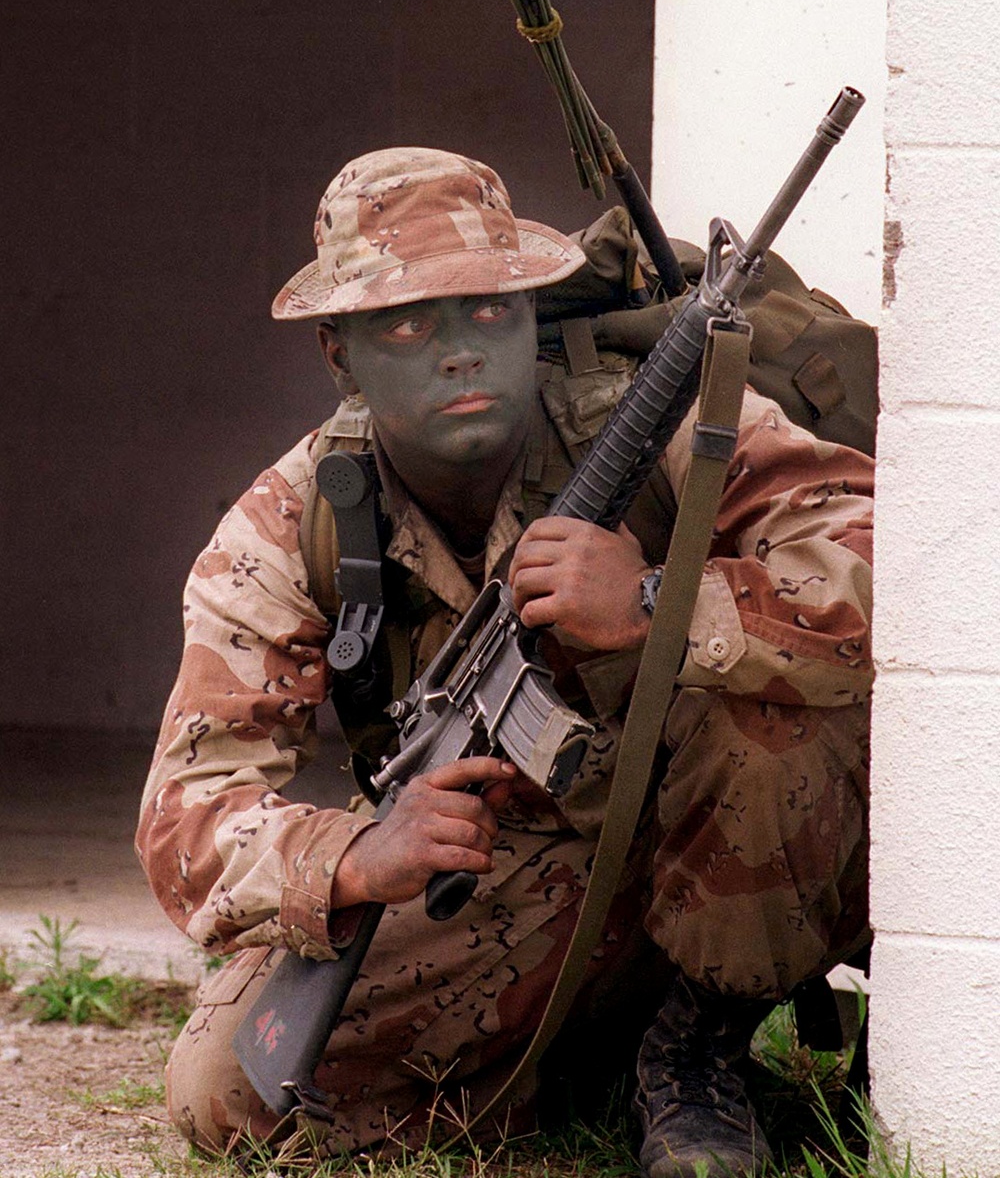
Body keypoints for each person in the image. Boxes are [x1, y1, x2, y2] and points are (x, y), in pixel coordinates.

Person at [137, 146, 873, 1177]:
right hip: (523, 867)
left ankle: (701, 1044)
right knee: (232, 1093)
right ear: (338, 354)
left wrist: (660, 603)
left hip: (711, 837)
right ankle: (595, 1062)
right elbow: (187, 812)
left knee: (769, 708)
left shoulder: (655, 420)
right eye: (407, 323)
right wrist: (353, 855)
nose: (460, 350)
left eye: (492, 311)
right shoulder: (292, 520)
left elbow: (890, 571)